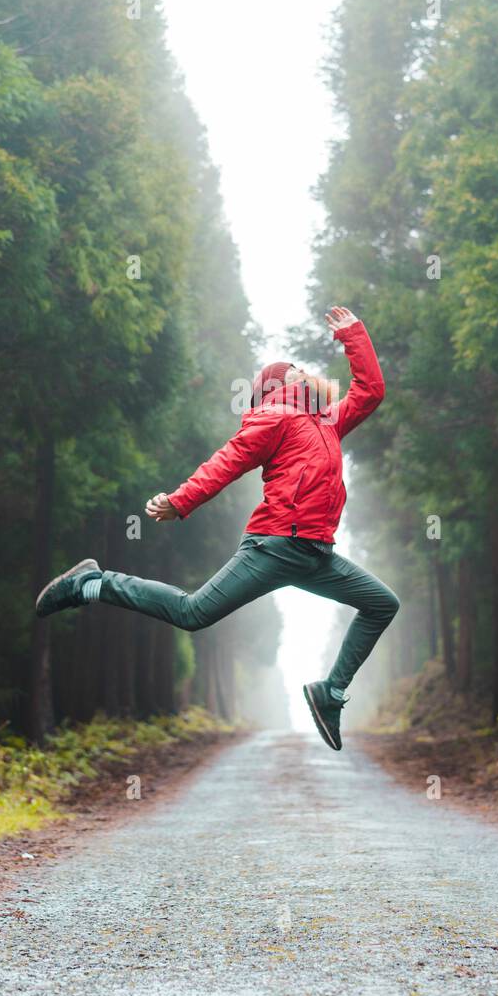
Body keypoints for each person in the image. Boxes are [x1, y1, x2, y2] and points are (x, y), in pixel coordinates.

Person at [35, 306, 399, 750]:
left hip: (316, 554)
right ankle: (93, 583)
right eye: (298, 371)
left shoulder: (328, 422)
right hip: (275, 547)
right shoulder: (274, 417)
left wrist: (352, 335)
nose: (308, 374)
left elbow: (371, 390)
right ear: (281, 386)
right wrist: (180, 501)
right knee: (192, 613)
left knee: (382, 603)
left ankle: (331, 693)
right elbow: (228, 461)